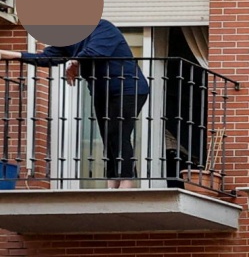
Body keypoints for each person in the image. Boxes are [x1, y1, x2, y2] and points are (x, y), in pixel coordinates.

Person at [1, 19, 153, 187]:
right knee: (108, 137)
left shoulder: (102, 27)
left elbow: (95, 51)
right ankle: (113, 183)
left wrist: (74, 62)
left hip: (129, 88)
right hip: (102, 92)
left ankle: (126, 182)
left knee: (118, 133)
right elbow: (47, 57)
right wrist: (14, 55)